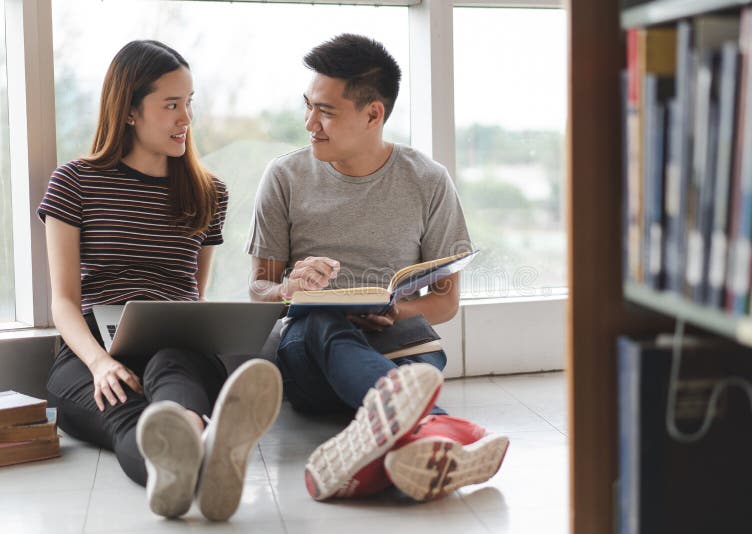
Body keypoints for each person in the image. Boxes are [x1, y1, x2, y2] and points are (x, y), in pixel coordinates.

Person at [247, 33, 508, 501]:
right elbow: (259, 289)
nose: (310, 123)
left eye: (326, 111)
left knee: (406, 376)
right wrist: (289, 286)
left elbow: (446, 301)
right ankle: (438, 426)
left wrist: (396, 312)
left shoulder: (427, 180)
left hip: (403, 349)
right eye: (308, 106)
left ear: (373, 114)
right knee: (323, 320)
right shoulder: (284, 177)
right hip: (311, 355)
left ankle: (401, 449)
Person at [38, 40, 282, 521]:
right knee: (124, 409)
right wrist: (100, 363)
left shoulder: (208, 192)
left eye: (189, 102)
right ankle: (205, 453)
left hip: (180, 348)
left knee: (172, 363)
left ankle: (186, 433)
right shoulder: (74, 183)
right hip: (90, 350)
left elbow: (194, 296)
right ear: (129, 110)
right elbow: (64, 301)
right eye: (171, 105)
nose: (185, 118)